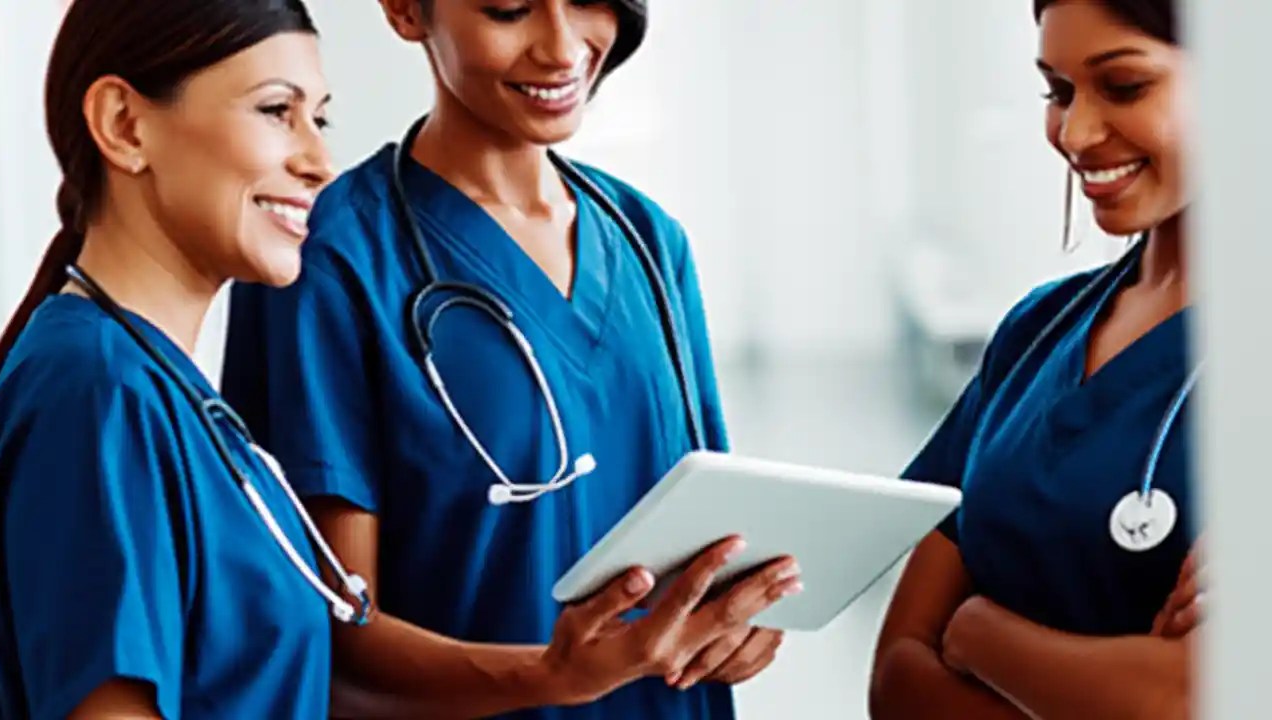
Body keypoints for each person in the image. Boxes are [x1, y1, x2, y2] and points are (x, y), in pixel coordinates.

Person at [221, 0, 802, 717]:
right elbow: (330, 633)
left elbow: (713, 540)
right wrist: (554, 674)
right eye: (509, 9)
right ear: (406, 11)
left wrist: (738, 621)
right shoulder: (332, 258)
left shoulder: (650, 241)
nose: (562, 49)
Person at [0, 2, 365, 718]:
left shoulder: (167, 395)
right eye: (275, 110)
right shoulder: (100, 393)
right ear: (125, 126)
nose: (319, 162)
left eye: (320, 118)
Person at [869, 1, 1202, 718]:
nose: (1074, 132)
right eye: (1058, 91)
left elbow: (1184, 700)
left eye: (1124, 86)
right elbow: (896, 678)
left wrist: (976, 631)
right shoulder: (1036, 329)